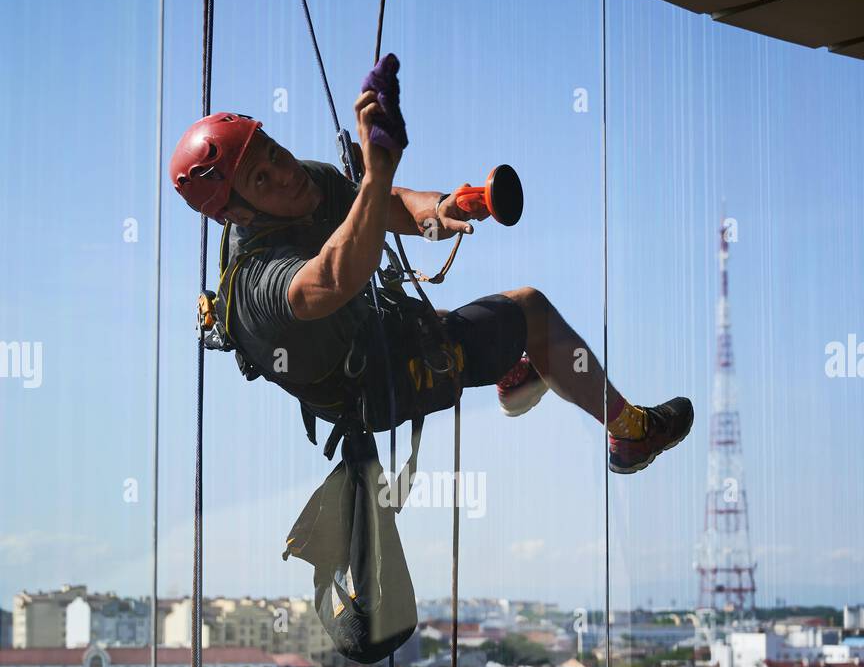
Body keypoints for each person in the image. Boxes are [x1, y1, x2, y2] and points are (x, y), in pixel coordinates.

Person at [169, 85, 693, 474]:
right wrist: (376, 175)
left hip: (373, 337)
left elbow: (381, 207)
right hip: (371, 386)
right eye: (262, 178)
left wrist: (441, 208)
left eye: (274, 153)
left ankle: (512, 370)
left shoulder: (303, 183)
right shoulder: (256, 280)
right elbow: (331, 279)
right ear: (237, 215)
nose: (284, 171)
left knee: (443, 319)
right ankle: (631, 434)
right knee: (530, 309)